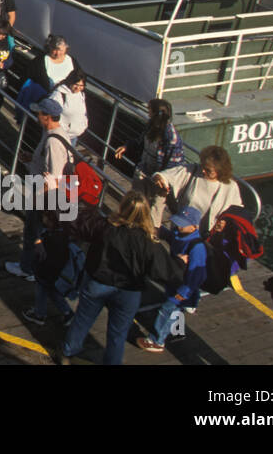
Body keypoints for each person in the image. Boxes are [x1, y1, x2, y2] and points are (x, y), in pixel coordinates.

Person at [58, 191, 183, 365]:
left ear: (122, 208)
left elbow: (75, 223)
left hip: (98, 282)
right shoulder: (147, 242)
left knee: (83, 319)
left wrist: (59, 195)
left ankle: (68, 351)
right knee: (118, 333)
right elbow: (164, 271)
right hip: (128, 290)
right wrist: (180, 262)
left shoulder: (104, 227)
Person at [6, 96, 75, 281]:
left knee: (34, 232)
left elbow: (54, 174)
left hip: (45, 195)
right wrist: (33, 159)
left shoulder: (53, 141)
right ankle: (31, 266)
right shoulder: (57, 134)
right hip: (46, 193)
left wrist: (40, 198)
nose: (36, 115)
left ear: (47, 117)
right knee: (36, 232)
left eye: (40, 113)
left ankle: (29, 268)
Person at [136, 205, 207, 353]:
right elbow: (169, 235)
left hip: (184, 285)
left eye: (182, 224)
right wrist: (157, 230)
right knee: (176, 310)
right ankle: (177, 331)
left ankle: (156, 341)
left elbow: (197, 275)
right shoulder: (178, 234)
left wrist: (185, 292)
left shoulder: (197, 247)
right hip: (175, 279)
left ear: (194, 227)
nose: (178, 226)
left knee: (166, 309)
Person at [152, 146, 243, 234]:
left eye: (208, 170)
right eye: (202, 166)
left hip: (208, 237)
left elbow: (236, 212)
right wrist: (159, 178)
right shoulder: (193, 170)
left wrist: (225, 222)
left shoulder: (231, 187)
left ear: (220, 170)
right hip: (182, 231)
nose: (203, 171)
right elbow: (165, 175)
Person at [53, 70, 88, 148]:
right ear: (70, 81)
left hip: (73, 137)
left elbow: (83, 112)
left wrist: (84, 125)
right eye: (76, 84)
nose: (78, 88)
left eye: (81, 85)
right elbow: (51, 115)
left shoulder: (81, 94)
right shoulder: (59, 94)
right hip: (60, 137)